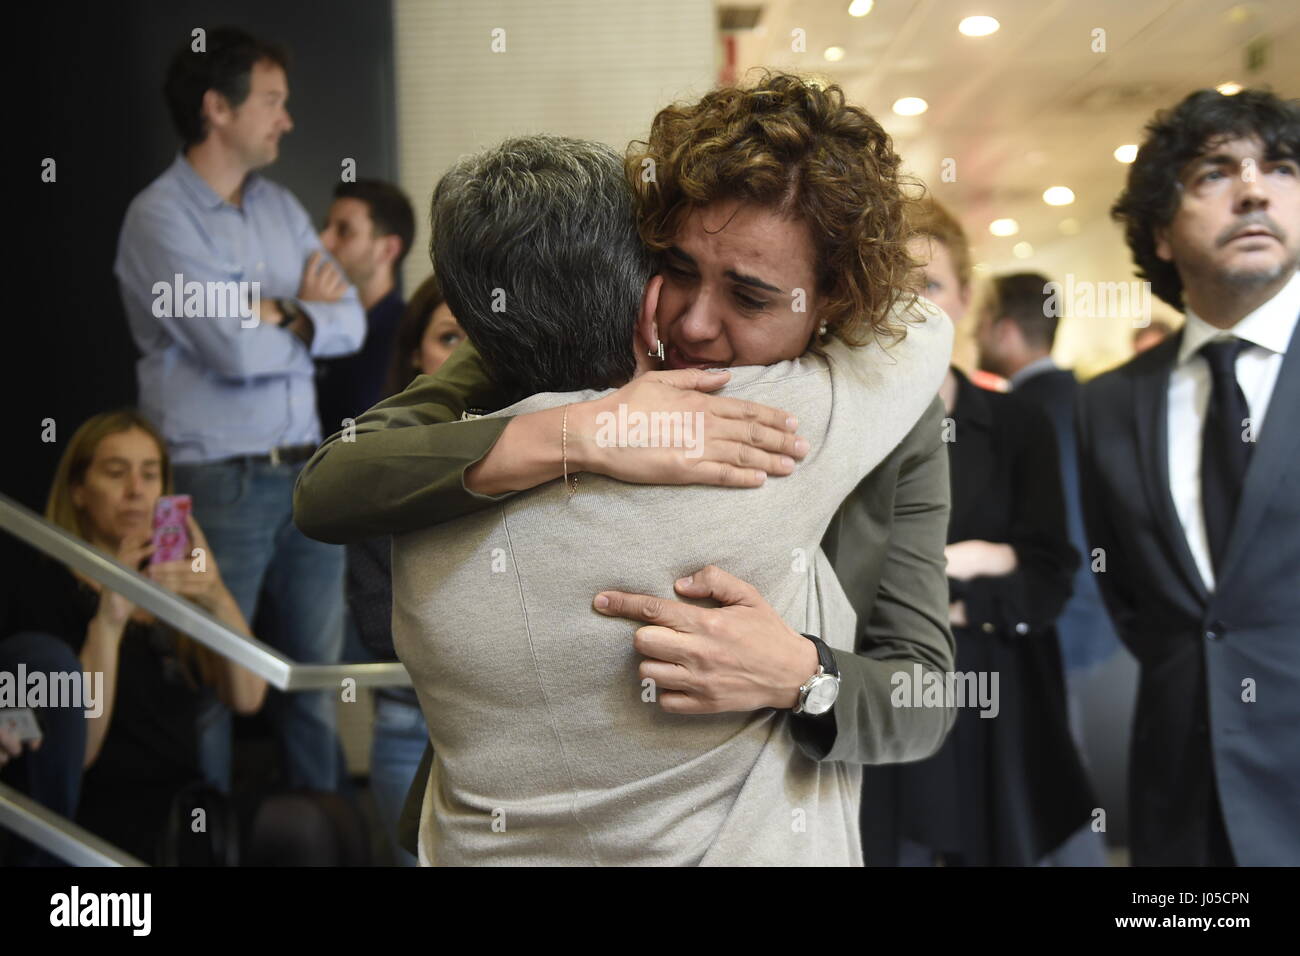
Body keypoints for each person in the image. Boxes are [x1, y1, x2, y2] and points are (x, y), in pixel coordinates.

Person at [294, 73, 959, 860]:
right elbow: (335, 481)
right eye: (678, 268)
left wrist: (803, 675)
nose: (694, 321)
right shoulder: (560, 347)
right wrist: (579, 430)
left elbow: (926, 695)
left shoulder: (890, 414)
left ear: (832, 305)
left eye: (749, 298)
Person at [113, 27, 365, 794]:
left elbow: (348, 324)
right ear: (216, 108)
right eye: (272, 102)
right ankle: (206, 841)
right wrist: (299, 316)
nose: (286, 119)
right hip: (210, 479)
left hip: (304, 475)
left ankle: (316, 840)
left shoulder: (281, 207)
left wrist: (276, 313)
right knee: (207, 680)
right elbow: (230, 349)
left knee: (312, 682)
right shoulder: (157, 219)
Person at [1081, 87, 1300, 866]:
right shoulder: (1107, 406)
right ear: (1161, 234)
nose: (1253, 189)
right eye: (1214, 172)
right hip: (1180, 805)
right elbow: (1138, 608)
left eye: (1279, 167)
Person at [859, 199, 1096, 866]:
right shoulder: (847, 424)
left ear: (966, 299)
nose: (910, 301)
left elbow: (1048, 581)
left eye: (929, 283)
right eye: (892, 281)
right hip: (880, 698)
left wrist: (938, 587)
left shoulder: (1019, 427)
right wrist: (976, 560)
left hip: (994, 703)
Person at [4, 411, 267, 863]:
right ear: (78, 491)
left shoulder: (171, 588)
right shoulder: (42, 590)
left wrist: (217, 595)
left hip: (183, 806)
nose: (136, 491)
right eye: (115, 472)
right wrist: (110, 616)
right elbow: (78, 749)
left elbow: (247, 698)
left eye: (150, 475)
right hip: (96, 812)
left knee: (320, 819)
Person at [348, 273, 465, 865]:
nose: (467, 357)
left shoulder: (553, 444)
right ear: (415, 352)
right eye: (448, 338)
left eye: (481, 337)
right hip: (408, 718)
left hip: (514, 726)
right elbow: (376, 624)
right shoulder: (376, 462)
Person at [317, 179, 416, 436]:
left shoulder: (408, 335)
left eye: (344, 231)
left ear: (387, 250)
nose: (323, 241)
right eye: (326, 227)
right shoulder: (318, 323)